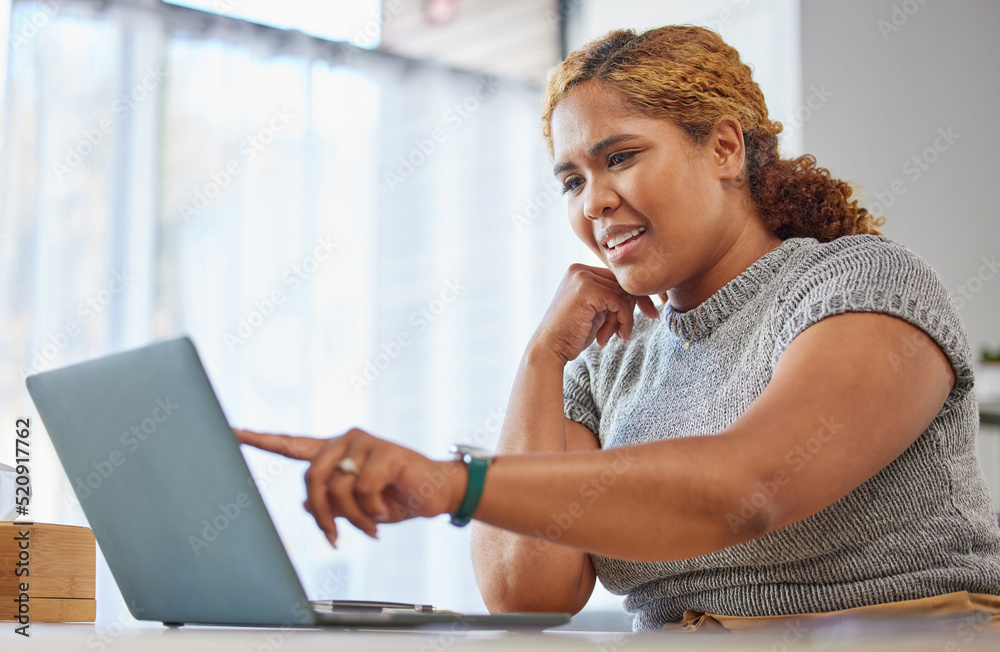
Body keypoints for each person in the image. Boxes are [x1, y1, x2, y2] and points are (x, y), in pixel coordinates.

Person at [235, 25, 1000, 632]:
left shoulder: (860, 282)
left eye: (621, 158)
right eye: (571, 180)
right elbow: (527, 594)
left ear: (725, 147)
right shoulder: (603, 363)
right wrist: (542, 360)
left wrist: (449, 483)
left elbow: (749, 488)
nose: (592, 203)